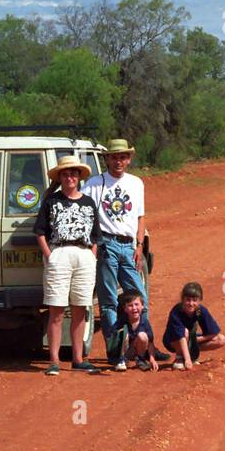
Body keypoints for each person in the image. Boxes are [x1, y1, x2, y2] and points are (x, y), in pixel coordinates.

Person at [34, 155, 101, 375]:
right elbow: (40, 231)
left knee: (81, 309)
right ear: (60, 177)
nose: (70, 177)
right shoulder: (52, 201)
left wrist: (92, 254)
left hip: (83, 254)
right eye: (65, 173)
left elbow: (96, 235)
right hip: (59, 253)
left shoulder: (89, 202)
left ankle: (78, 358)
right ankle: (54, 361)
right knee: (56, 310)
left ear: (79, 176)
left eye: (73, 173)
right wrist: (49, 255)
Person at [84, 138, 149, 362]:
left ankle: (142, 345)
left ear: (129, 159)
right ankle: (115, 351)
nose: (118, 161)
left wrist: (139, 244)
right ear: (107, 159)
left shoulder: (136, 183)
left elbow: (140, 216)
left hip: (129, 245)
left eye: (122, 157)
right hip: (107, 245)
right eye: (114, 157)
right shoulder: (94, 183)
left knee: (141, 298)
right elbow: (83, 210)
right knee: (109, 300)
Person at [162, 282, 225, 370]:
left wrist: (194, 342)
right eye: (188, 299)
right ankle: (179, 357)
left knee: (221, 339)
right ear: (182, 299)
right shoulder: (177, 312)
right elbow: (181, 337)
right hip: (172, 340)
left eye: (195, 300)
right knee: (185, 332)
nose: (191, 303)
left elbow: (213, 333)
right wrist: (188, 360)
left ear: (199, 300)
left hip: (189, 337)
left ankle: (191, 352)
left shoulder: (199, 311)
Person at [105, 290, 167, 372]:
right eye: (130, 305)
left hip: (137, 350)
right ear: (125, 309)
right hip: (125, 352)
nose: (134, 308)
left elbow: (150, 343)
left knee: (142, 336)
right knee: (123, 332)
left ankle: (140, 359)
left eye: (137, 304)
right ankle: (122, 360)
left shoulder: (144, 322)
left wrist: (152, 359)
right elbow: (111, 336)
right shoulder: (122, 321)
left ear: (142, 306)